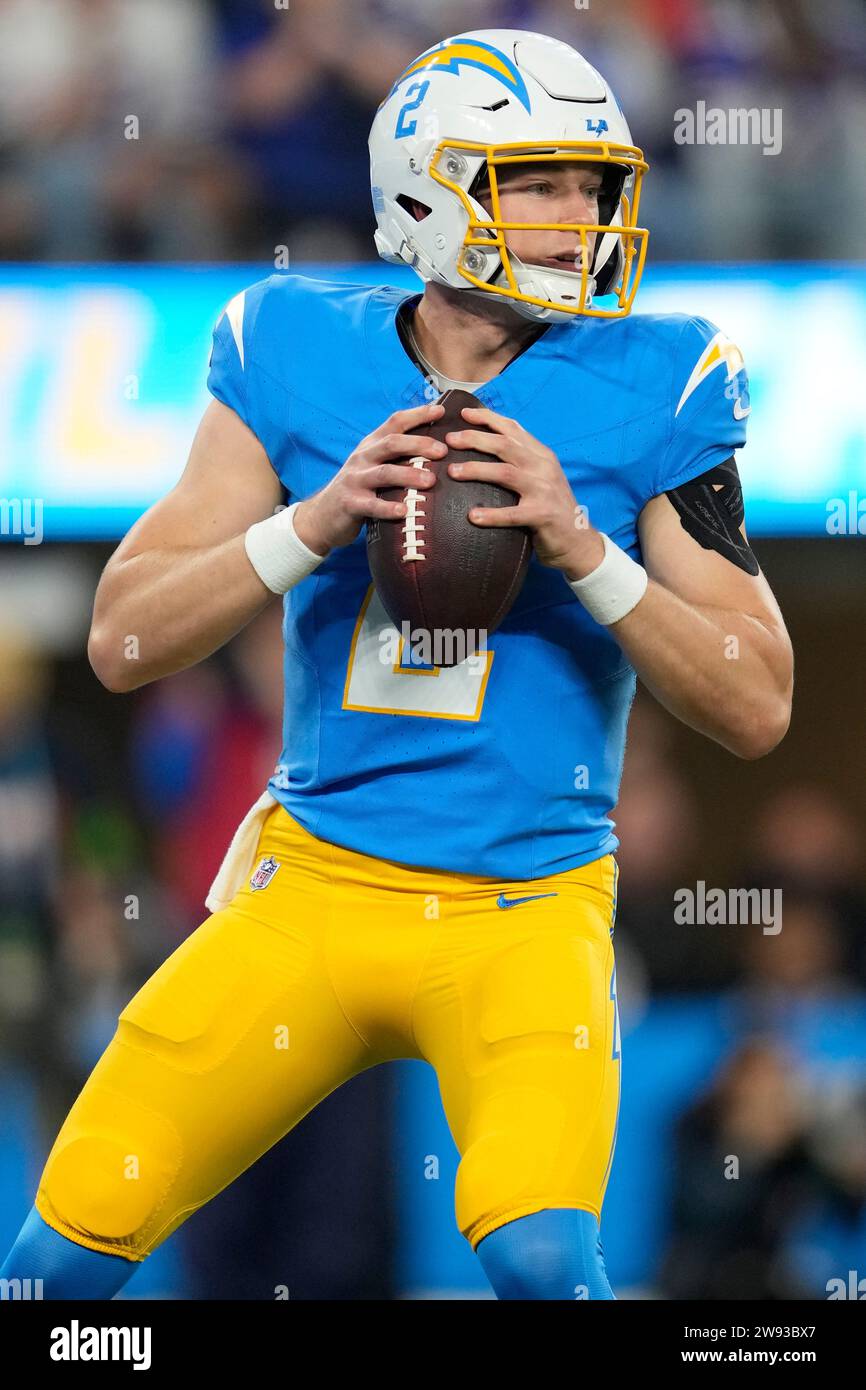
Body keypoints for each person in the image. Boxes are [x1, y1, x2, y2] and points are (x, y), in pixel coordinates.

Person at [1, 28, 793, 1301]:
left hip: (521, 904)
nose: (575, 213)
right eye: (536, 181)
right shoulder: (289, 344)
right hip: (308, 888)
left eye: (590, 185)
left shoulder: (657, 376)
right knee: (58, 1262)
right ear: (429, 185)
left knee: (543, 1264)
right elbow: (122, 637)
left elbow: (755, 703)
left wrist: (586, 550)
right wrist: (305, 526)